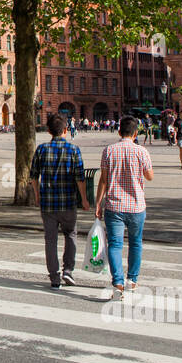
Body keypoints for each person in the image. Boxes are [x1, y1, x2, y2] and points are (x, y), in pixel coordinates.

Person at [94, 116, 154, 301]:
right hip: (136, 205)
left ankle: (118, 283)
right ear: (136, 133)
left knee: (115, 245)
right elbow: (149, 176)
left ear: (119, 132)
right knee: (136, 243)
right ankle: (132, 281)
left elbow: (103, 179)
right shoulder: (141, 151)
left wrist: (98, 203)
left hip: (114, 205)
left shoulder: (109, 151)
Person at [28, 114, 91, 289]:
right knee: (70, 235)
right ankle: (68, 270)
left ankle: (54, 277)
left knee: (50, 240)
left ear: (48, 131)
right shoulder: (73, 150)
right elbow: (80, 178)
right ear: (65, 130)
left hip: (48, 203)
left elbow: (33, 176)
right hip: (68, 202)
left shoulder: (41, 149)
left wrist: (37, 195)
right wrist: (84, 200)